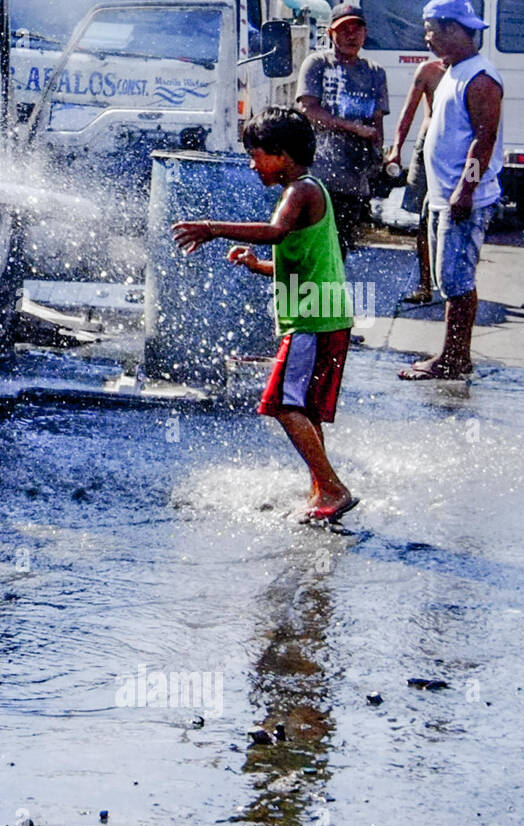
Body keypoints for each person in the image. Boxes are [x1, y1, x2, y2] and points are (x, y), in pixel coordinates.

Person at [172, 107, 357, 522]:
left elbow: (274, 233)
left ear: (282, 154)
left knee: (282, 404)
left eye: (257, 155)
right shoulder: (313, 191)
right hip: (325, 316)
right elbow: (301, 258)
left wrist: (211, 226)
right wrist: (259, 266)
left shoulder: (300, 192)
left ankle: (332, 488)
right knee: (304, 409)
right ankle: (320, 488)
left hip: (311, 320)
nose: (253, 164)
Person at [399, 0, 504, 381]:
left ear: (455, 29)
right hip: (443, 194)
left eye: (431, 30)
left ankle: (453, 359)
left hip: (463, 198)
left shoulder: (480, 78)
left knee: (457, 283)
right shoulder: (453, 71)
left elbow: (484, 139)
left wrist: (466, 189)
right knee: (449, 281)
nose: (427, 37)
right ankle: (455, 355)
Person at [296, 3, 389, 259]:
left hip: (354, 179)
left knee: (339, 248)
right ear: (330, 33)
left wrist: (378, 158)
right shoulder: (317, 64)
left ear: (365, 33)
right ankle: (303, 296)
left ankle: (331, 296)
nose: (351, 35)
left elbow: (377, 121)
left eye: (356, 29)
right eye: (343, 29)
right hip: (318, 174)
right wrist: (354, 128)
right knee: (311, 245)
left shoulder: (375, 72)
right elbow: (309, 110)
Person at [387, 57, 446, 305]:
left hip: (453, 151)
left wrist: (474, 177)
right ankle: (424, 285)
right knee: (422, 218)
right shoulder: (429, 70)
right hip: (425, 148)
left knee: (453, 217)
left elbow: (484, 133)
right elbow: (408, 111)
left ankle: (451, 283)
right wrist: (396, 149)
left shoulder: (474, 73)